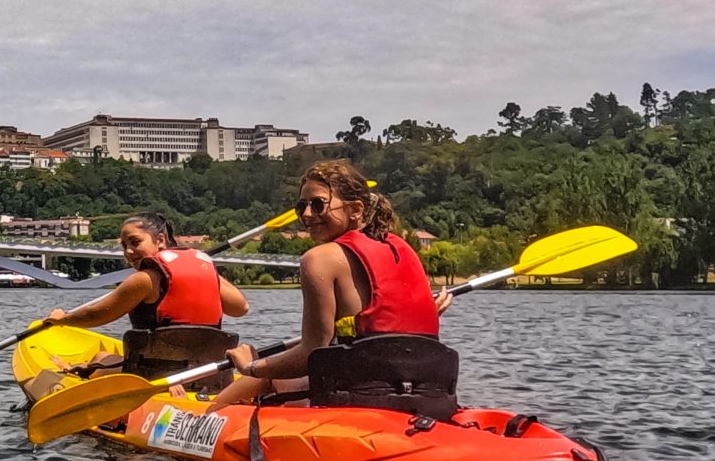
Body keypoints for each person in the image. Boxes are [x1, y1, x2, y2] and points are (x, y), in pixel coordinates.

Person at [217, 160, 450, 406]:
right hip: (424, 392)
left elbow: (311, 354)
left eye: (318, 205)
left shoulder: (319, 259)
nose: (307, 215)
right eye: (301, 207)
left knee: (260, 383)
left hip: (360, 397)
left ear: (356, 209)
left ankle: (203, 421)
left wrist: (252, 366)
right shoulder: (401, 248)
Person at [44, 212, 249, 341]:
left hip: (156, 371)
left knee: (100, 361)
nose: (129, 251)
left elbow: (98, 315)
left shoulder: (144, 280)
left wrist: (63, 320)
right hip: (205, 371)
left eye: (135, 242)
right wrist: (202, 266)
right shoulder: (203, 268)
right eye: (124, 246)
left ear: (160, 240)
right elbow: (241, 308)